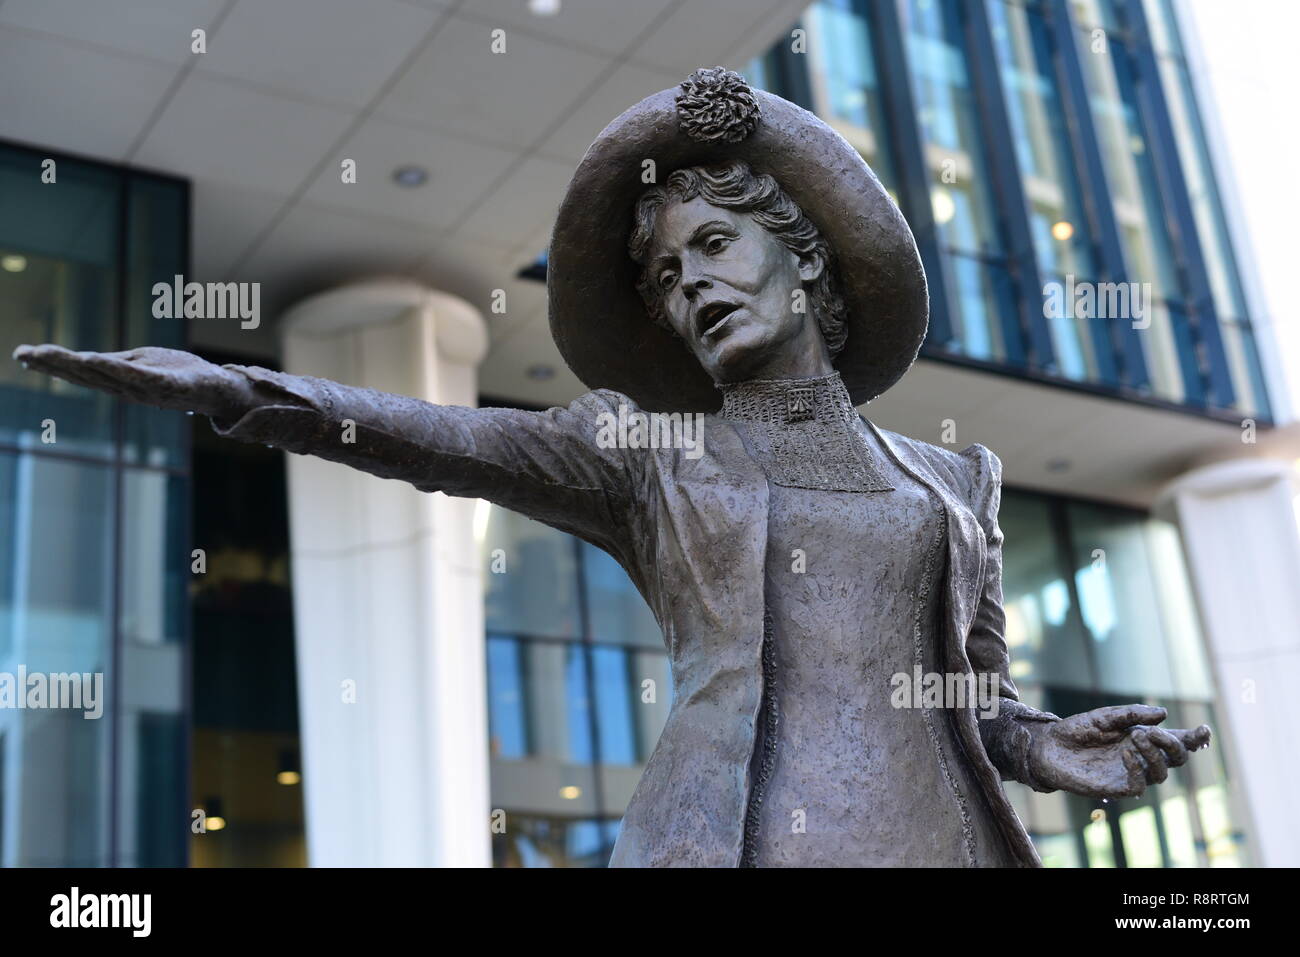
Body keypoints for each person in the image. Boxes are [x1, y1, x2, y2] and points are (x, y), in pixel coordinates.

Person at [14, 68, 1209, 867]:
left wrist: (1037, 743)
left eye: (714, 245)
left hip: (934, 838)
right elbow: (441, 439)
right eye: (666, 276)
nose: (690, 282)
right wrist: (244, 392)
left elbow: (966, 691)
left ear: (804, 258)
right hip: (738, 840)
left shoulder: (959, 486)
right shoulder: (651, 457)